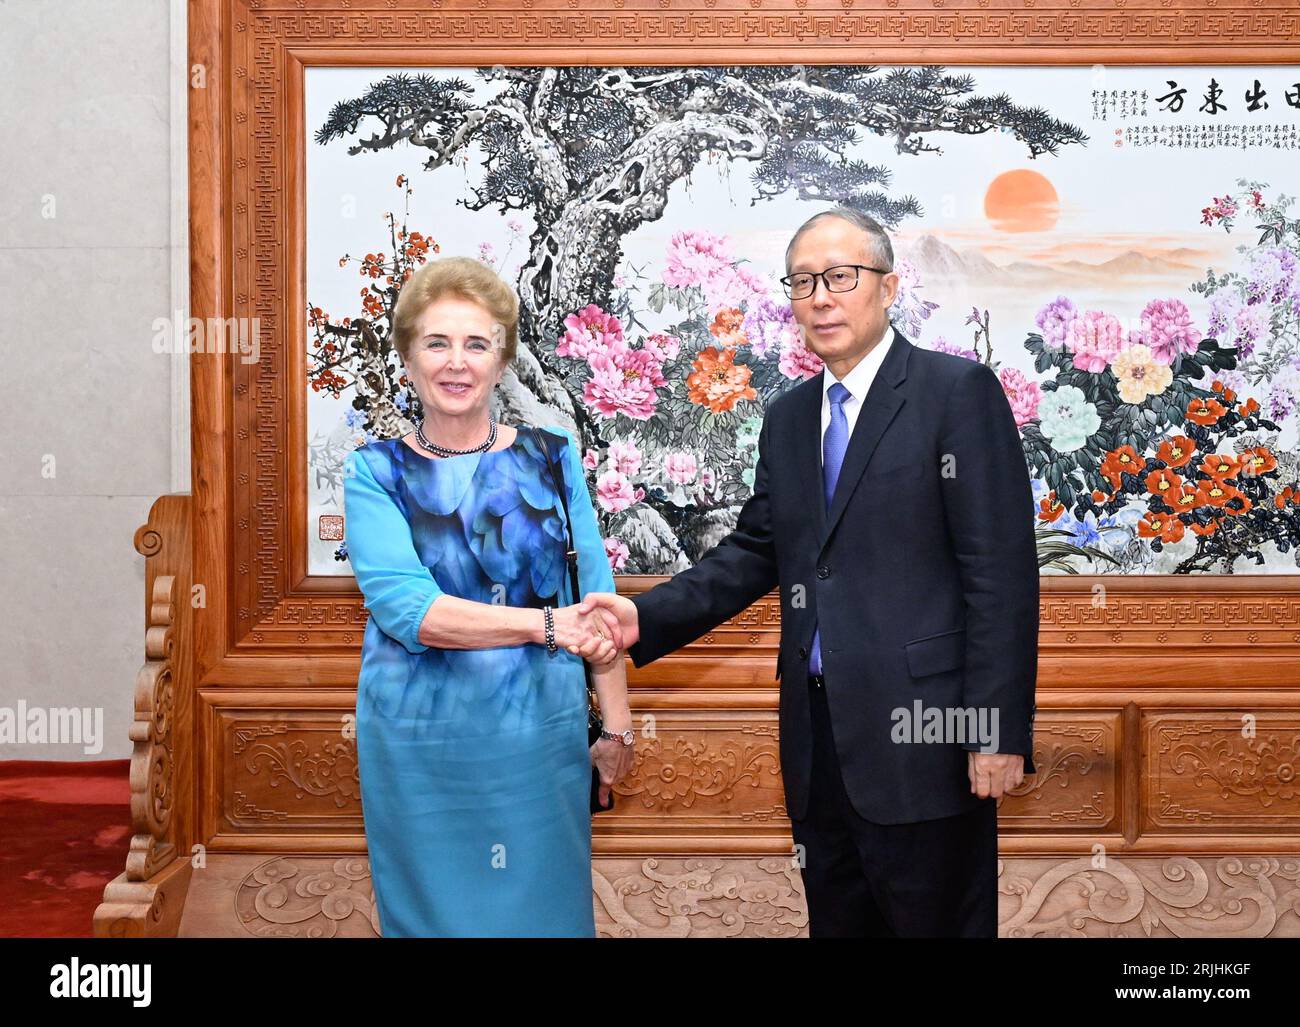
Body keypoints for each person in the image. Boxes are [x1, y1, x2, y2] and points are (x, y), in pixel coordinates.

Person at [582, 208, 1039, 937]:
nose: (820, 296)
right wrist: (646, 616)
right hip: (819, 740)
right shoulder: (791, 417)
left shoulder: (956, 393)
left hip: (930, 738)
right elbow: (756, 550)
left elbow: (1002, 578)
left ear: (887, 288)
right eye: (802, 281)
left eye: (840, 277)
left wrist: (995, 730)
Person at [344, 256, 635, 937]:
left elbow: (596, 602)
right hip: (421, 748)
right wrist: (547, 625)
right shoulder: (374, 472)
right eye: (437, 342)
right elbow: (412, 613)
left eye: (477, 343)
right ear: (408, 358)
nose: (457, 362)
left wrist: (617, 725)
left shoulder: (552, 457)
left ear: (501, 360)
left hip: (540, 742)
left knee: (545, 919)